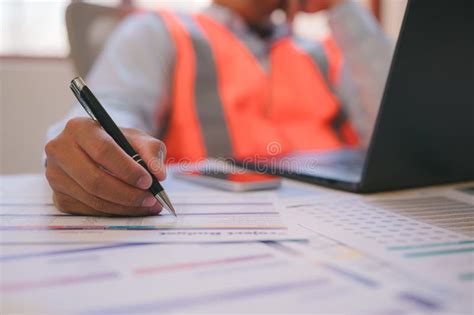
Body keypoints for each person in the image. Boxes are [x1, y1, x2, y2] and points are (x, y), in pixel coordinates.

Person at [45, 0, 392, 216]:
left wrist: (342, 8)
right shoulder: (159, 31)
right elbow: (114, 109)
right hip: (222, 225)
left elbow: (399, 134)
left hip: (344, 219)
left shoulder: (329, 52)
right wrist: (90, 151)